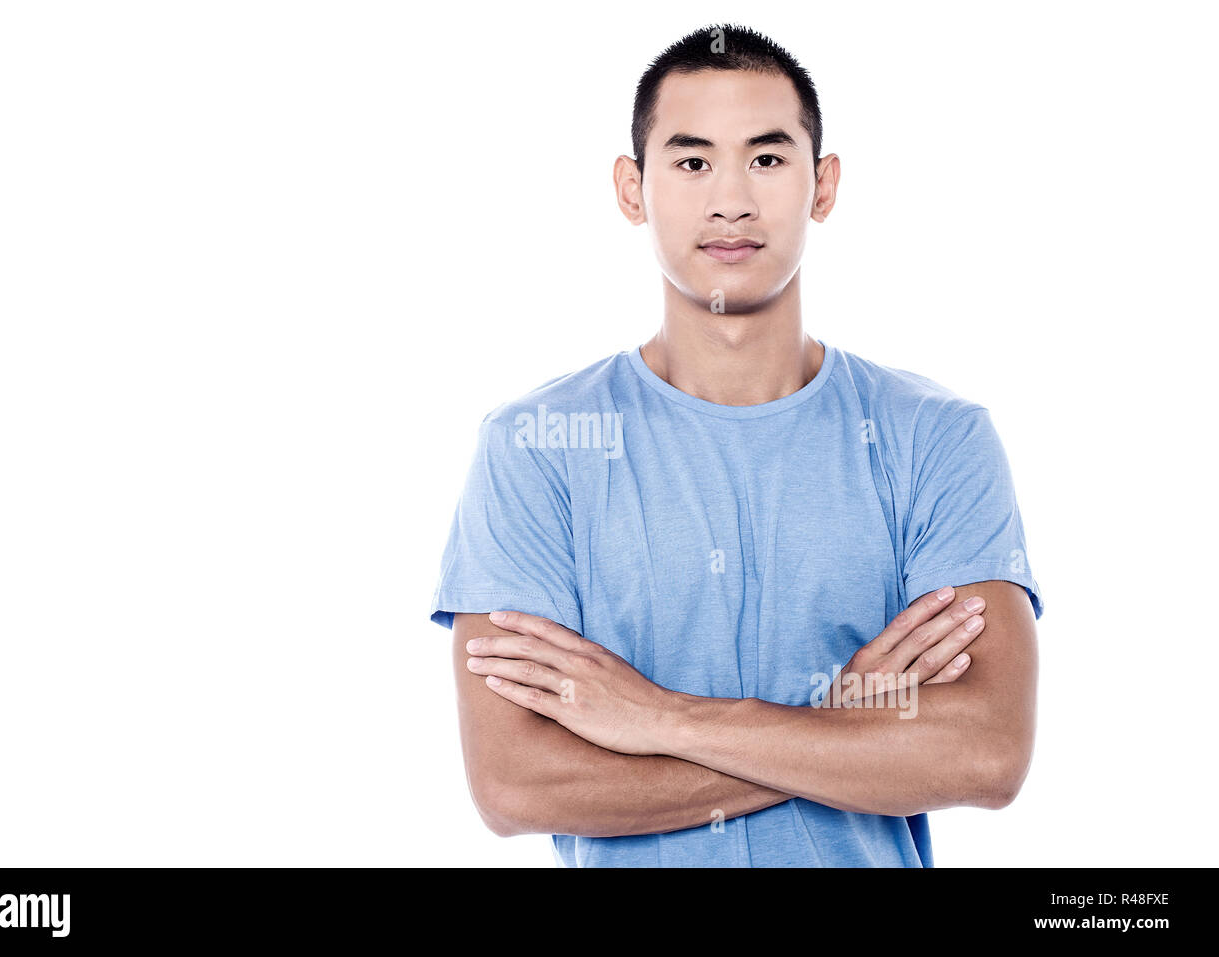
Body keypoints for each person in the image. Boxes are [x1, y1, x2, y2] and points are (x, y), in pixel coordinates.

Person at [429, 23, 1043, 867]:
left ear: (822, 185)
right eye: (690, 162)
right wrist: (841, 726)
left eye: (766, 158)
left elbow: (987, 753)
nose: (730, 201)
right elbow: (515, 783)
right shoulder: (534, 450)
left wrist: (657, 718)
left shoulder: (937, 437)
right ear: (631, 187)